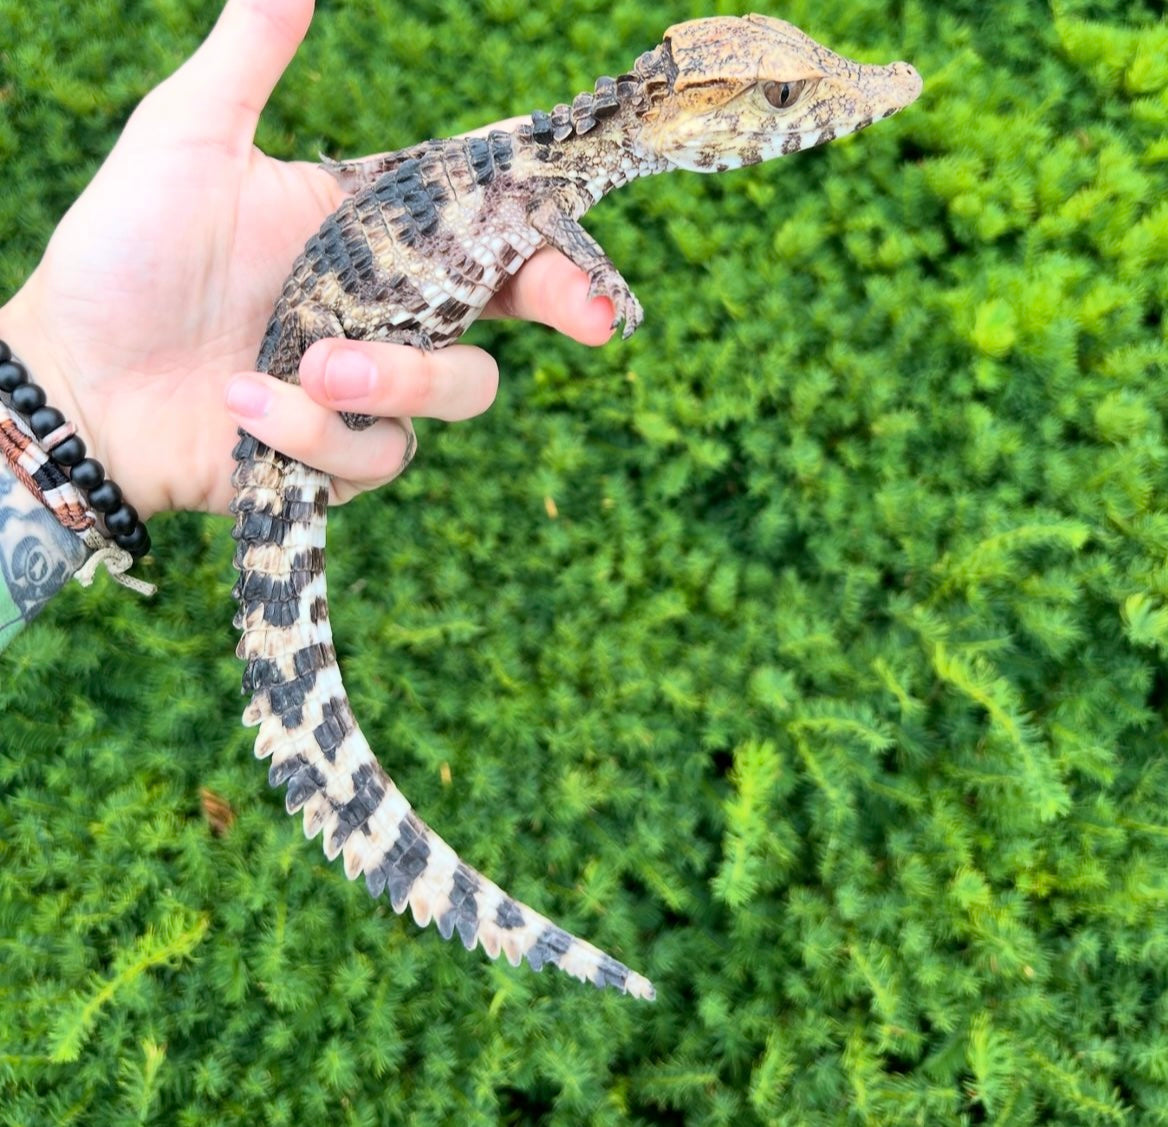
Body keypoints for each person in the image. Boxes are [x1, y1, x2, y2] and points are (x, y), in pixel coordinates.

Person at [0, 0, 619, 646]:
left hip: (310, 329)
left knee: (361, 393)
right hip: (318, 319)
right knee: (358, 396)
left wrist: (83, 405)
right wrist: (72, 395)